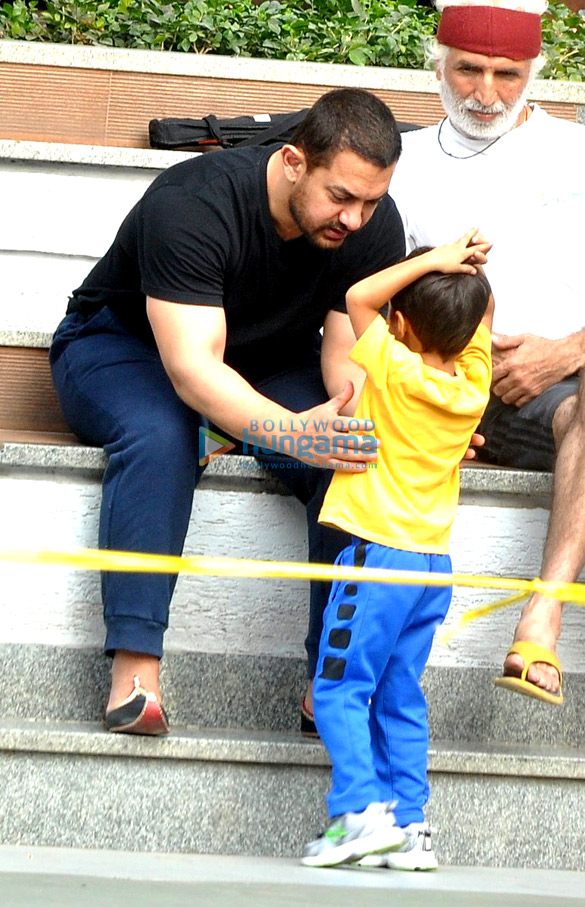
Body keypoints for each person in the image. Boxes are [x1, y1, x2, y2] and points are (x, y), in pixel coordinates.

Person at [49, 88, 406, 735]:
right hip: (124, 350)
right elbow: (192, 369)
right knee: (162, 435)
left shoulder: (370, 227)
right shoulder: (195, 201)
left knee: (352, 451)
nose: (354, 219)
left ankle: (329, 682)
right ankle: (135, 668)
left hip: (264, 360)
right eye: (340, 197)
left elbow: (345, 352)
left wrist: (369, 421)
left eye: (370, 201)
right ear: (293, 161)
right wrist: (291, 431)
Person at [388, 0, 585, 706]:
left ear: (534, 73)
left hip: (557, 389)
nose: (484, 93)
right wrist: (425, 386)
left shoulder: (576, 151)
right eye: (467, 69)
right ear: (436, 65)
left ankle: (544, 610)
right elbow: (364, 299)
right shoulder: (401, 161)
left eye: (506, 74)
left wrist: (567, 350)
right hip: (437, 382)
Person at [301, 231, 493, 869]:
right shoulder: (472, 387)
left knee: (338, 688)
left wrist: (439, 260)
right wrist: (464, 279)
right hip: (432, 567)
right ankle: (410, 827)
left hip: (375, 557)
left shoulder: (392, 366)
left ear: (401, 323)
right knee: (399, 692)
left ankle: (359, 814)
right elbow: (481, 316)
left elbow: (357, 296)